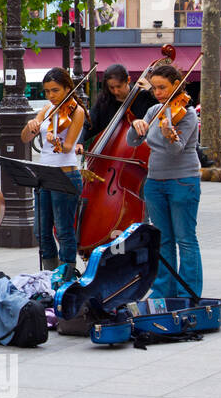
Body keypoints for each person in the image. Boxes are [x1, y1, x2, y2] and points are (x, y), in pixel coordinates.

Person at [128, 63, 202, 297]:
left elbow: (175, 150)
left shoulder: (188, 114)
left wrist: (163, 136)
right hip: (155, 181)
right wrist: (135, 126)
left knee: (186, 240)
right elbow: (133, 142)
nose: (158, 93)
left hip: (183, 181)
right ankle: (163, 290)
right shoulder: (153, 112)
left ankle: (187, 292)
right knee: (163, 240)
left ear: (177, 85)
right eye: (155, 89)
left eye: (163, 88)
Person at [22, 67, 86, 276]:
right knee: (41, 230)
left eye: (55, 90)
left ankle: (66, 275)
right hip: (44, 175)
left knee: (64, 230)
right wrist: (30, 125)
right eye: (47, 91)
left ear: (68, 88)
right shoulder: (47, 109)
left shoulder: (77, 111)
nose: (51, 95)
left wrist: (55, 139)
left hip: (65, 173)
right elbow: (25, 138)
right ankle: (49, 275)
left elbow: (67, 147)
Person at [84, 63, 159, 147]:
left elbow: (163, 106)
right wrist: (79, 142)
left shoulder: (145, 97)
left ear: (128, 80)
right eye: (111, 88)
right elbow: (89, 124)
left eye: (119, 86)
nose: (116, 91)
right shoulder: (104, 101)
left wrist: (152, 90)